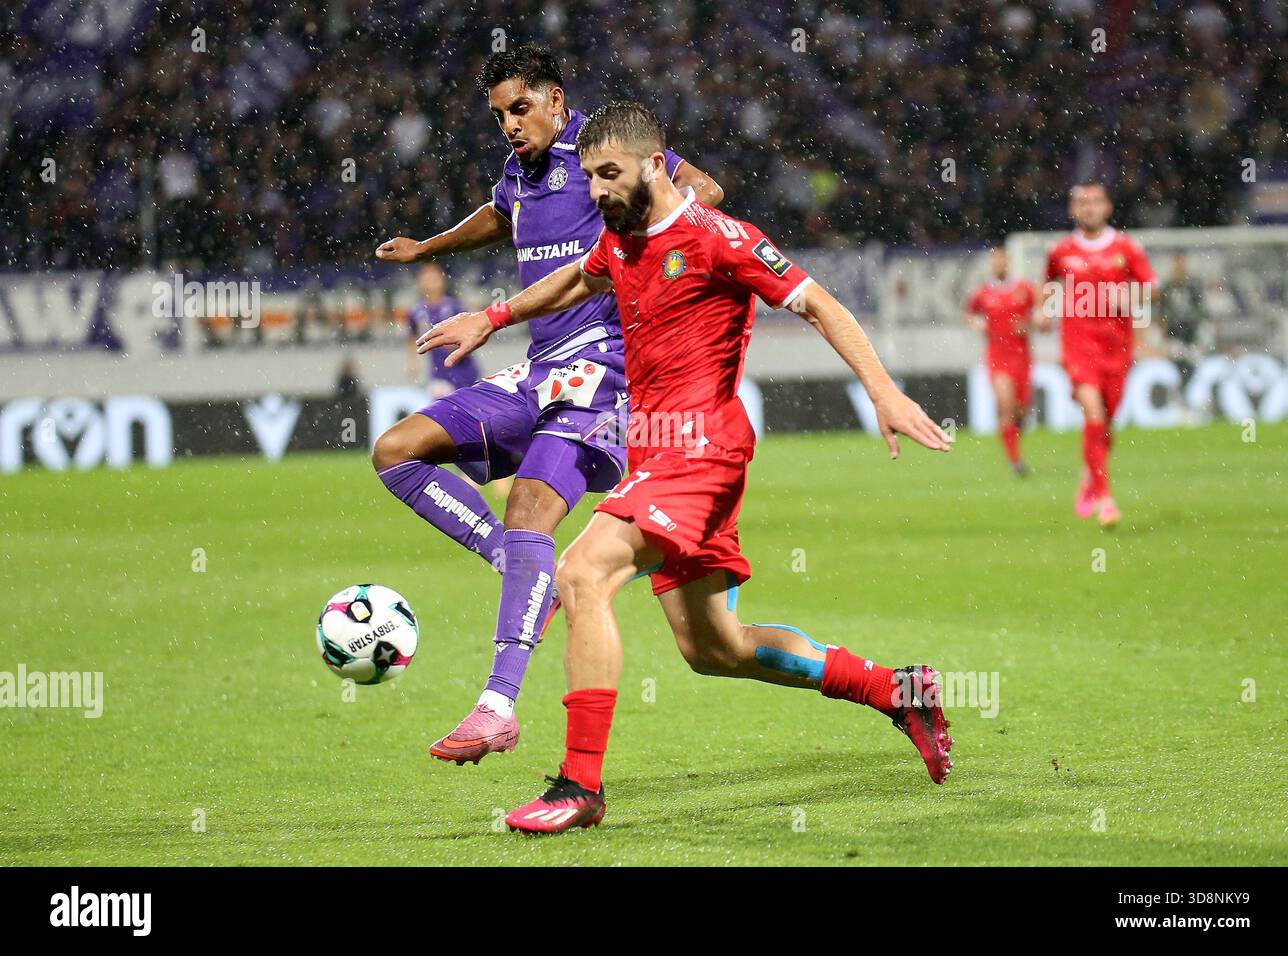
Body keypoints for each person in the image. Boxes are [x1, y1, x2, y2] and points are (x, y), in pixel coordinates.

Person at [419, 102, 953, 835]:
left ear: (654, 165)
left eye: (609, 175)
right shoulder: (620, 238)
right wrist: (496, 318)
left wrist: (883, 389)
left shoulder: (715, 237)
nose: (596, 191)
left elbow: (819, 302)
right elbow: (579, 279)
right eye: (588, 178)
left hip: (701, 451)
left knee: (581, 574)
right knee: (714, 648)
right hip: (659, 453)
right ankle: (897, 690)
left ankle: (579, 786)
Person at [372, 46, 723, 764]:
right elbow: (498, 218)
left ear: (557, 100)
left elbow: (705, 190)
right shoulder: (519, 173)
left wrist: (651, 237)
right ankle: (512, 560)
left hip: (608, 369)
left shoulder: (605, 149)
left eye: (520, 107)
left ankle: (496, 707)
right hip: (540, 367)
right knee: (396, 450)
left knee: (532, 503)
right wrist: (425, 248)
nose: (508, 123)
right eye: (499, 113)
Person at [1042, 183, 1159, 528]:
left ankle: (1090, 476)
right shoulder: (1060, 251)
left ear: (1107, 208)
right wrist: (1044, 311)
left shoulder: (1126, 247)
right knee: (1092, 410)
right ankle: (1106, 500)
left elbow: (1152, 287)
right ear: (1072, 210)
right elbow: (1048, 283)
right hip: (1078, 348)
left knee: (1105, 424)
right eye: (1081, 202)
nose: (1088, 208)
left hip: (1117, 350)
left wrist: (1134, 297)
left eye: (1094, 202)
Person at [964, 246, 1038, 475]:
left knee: (1022, 412)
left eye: (1001, 261)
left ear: (1009, 262)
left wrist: (1030, 324)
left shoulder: (1024, 289)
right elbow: (969, 314)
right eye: (994, 261)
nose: (998, 265)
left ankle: (1014, 445)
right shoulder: (983, 292)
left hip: (1022, 357)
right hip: (998, 357)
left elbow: (1042, 315)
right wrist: (978, 325)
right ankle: (1015, 460)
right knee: (1006, 405)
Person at [406, 262, 479, 399]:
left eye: (434, 277)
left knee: (470, 408)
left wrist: (456, 342)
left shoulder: (455, 305)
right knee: (443, 412)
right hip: (438, 372)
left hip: (463, 368)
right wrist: (412, 362)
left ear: (442, 279)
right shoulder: (417, 311)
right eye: (426, 278)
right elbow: (411, 335)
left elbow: (474, 330)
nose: (430, 282)